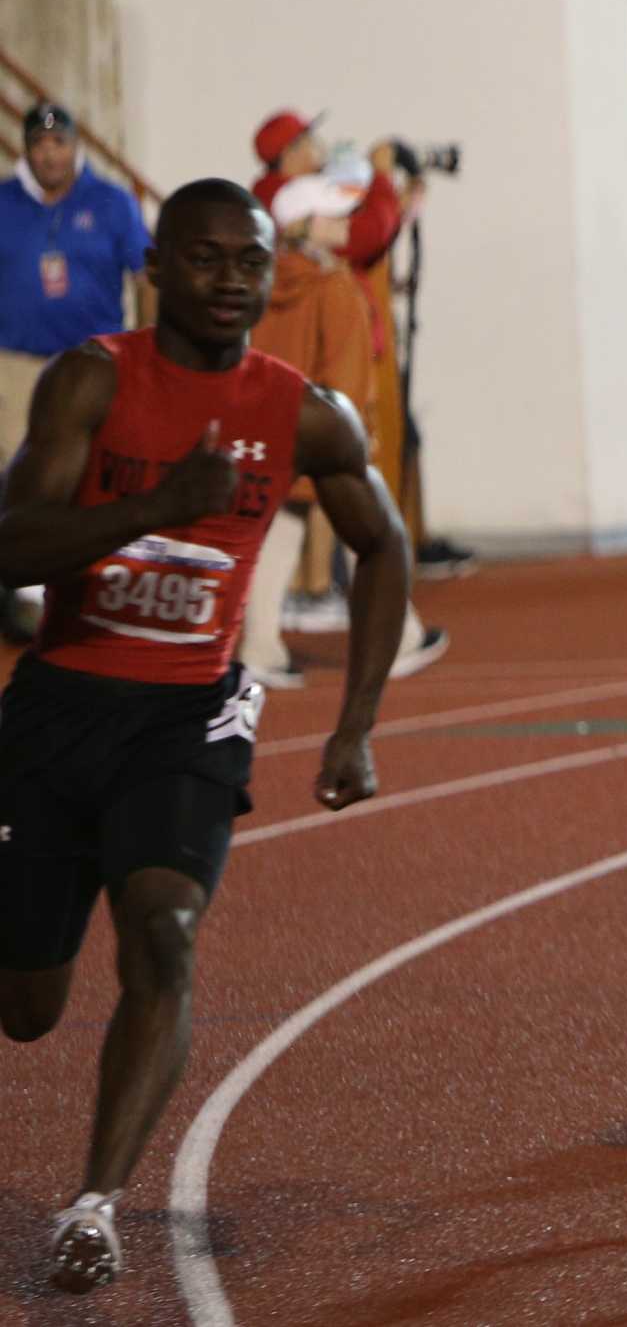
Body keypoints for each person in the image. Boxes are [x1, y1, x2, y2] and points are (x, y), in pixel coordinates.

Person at [0, 178, 411, 1293]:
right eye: (207, 259)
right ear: (159, 269)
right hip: (59, 706)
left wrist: (354, 727)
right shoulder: (92, 379)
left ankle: (93, 1206)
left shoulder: (304, 410)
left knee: (165, 932)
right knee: (27, 1007)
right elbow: (10, 547)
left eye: (251, 261)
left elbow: (383, 545)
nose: (231, 282)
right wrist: (155, 505)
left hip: (190, 711)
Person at [243, 221, 448, 686]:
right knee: (373, 533)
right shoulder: (332, 284)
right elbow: (345, 366)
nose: (346, 220)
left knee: (283, 528)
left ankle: (258, 645)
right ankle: (397, 639)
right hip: (329, 430)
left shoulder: (269, 280)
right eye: (334, 212)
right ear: (310, 221)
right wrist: (358, 430)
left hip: (281, 423)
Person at [0, 104, 155, 642]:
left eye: (59, 143)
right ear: (26, 148)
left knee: (94, 477)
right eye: (40, 144)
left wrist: (151, 346)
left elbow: (146, 274)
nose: (50, 154)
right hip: (17, 364)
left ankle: (95, 591)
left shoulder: (112, 202)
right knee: (20, 478)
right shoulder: (3, 201)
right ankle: (27, 596)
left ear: (75, 146)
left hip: (94, 366)